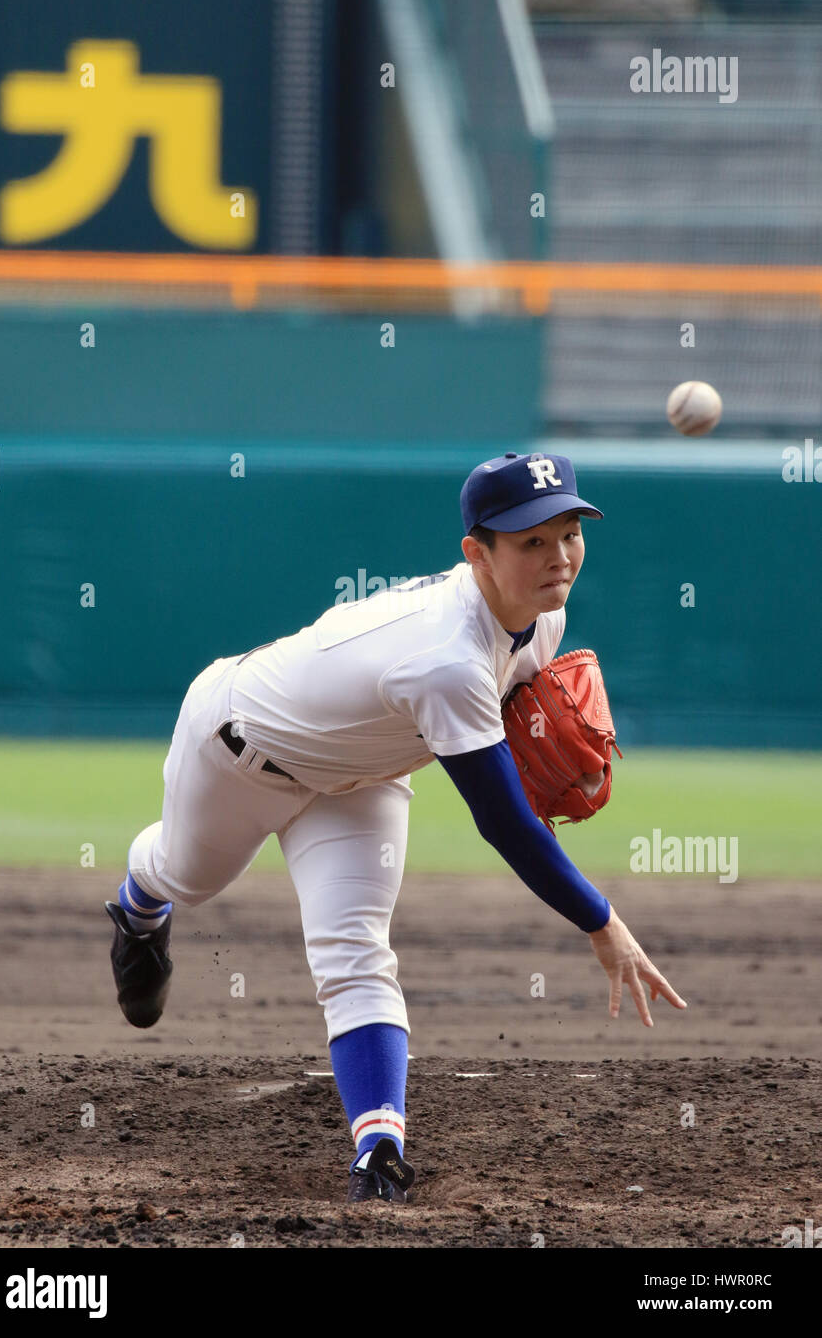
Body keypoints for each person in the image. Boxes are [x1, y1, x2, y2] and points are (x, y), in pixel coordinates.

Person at [105, 451, 687, 1203]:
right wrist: (601, 921)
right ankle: (138, 904)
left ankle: (379, 1149)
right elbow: (505, 822)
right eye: (531, 541)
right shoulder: (444, 658)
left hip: (363, 777)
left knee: (354, 951)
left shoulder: (545, 619)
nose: (558, 555)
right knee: (189, 877)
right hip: (238, 747)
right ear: (476, 552)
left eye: (569, 531)